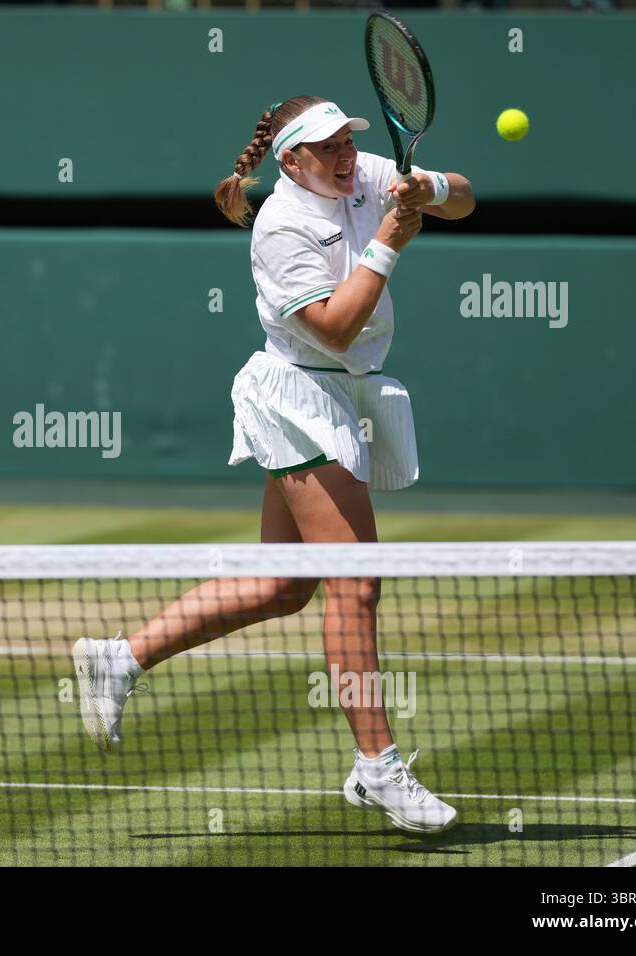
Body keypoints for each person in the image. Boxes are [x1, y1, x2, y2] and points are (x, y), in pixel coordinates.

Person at [74, 96, 475, 833]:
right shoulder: (280, 225)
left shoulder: (366, 174)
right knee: (354, 585)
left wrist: (433, 191)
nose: (345, 153)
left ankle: (119, 659)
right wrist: (389, 239)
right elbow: (335, 327)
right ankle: (377, 767)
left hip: (336, 391)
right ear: (291, 160)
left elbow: (465, 198)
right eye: (326, 147)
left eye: (348, 140)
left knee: (283, 585)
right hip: (299, 395)